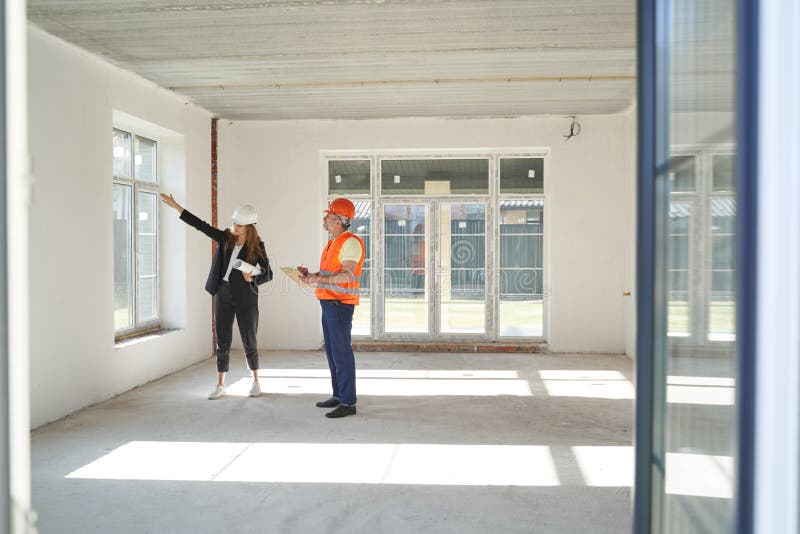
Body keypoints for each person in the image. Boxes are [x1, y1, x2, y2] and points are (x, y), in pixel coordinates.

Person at [160, 193, 273, 400]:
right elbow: (201, 226)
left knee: (249, 340)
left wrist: (253, 276)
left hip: (246, 297)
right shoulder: (225, 238)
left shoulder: (257, 247)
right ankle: (221, 385)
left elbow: (268, 273)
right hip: (223, 293)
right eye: (234, 223)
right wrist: (177, 207)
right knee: (223, 340)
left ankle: (256, 382)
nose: (235, 227)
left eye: (239, 225)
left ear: (249, 227)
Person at [299, 198, 365, 419]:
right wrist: (312, 275)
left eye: (328, 216)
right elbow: (330, 274)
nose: (324, 219)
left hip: (340, 305)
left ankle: (348, 402)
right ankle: (338, 395)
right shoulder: (333, 243)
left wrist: (318, 279)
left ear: (338, 220)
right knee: (333, 352)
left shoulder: (350, 243)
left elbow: (346, 276)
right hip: (329, 304)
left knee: (341, 353)